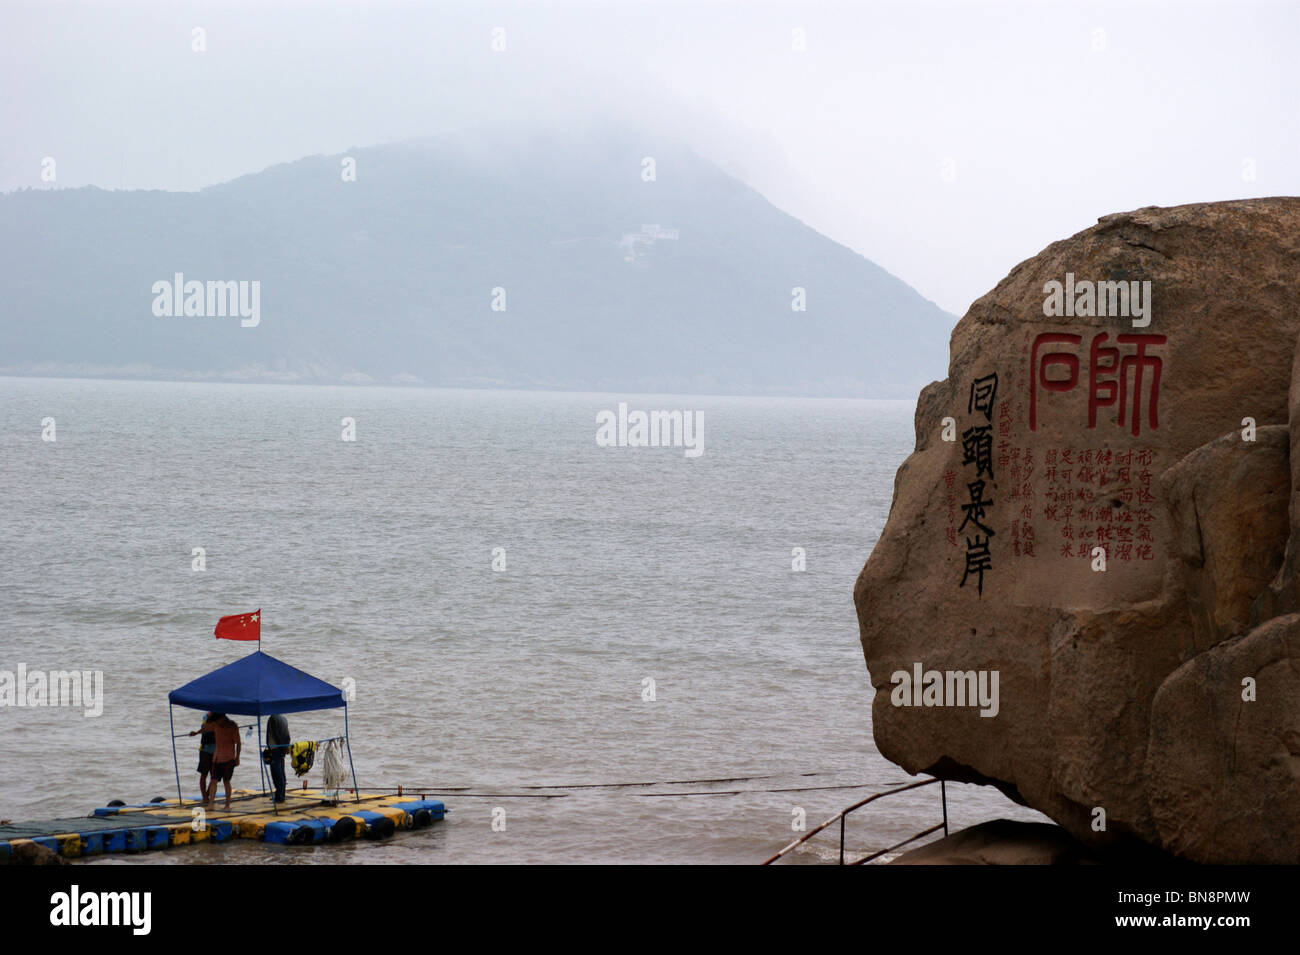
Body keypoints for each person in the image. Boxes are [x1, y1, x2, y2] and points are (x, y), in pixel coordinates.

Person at [189, 713, 241, 810]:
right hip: (217, 757)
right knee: (213, 781)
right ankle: (210, 804)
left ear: (222, 718)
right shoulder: (215, 724)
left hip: (229, 758)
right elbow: (206, 728)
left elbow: (238, 743)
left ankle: (227, 805)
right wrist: (196, 733)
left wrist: (237, 757)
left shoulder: (233, 725)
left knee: (226, 781)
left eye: (217, 720)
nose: (215, 722)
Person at [192, 712, 216, 804]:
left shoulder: (220, 717)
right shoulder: (206, 716)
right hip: (205, 749)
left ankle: (207, 794)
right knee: (204, 774)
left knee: (215, 776)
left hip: (216, 751)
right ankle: (205, 796)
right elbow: (205, 728)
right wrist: (196, 733)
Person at [266, 713, 290, 803]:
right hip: (280, 748)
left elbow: (276, 734)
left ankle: (280, 797)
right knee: (280, 772)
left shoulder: (272, 718)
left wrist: (281, 747)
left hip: (275, 748)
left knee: (276, 774)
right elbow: (287, 735)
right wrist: (285, 747)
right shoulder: (283, 718)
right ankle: (280, 795)